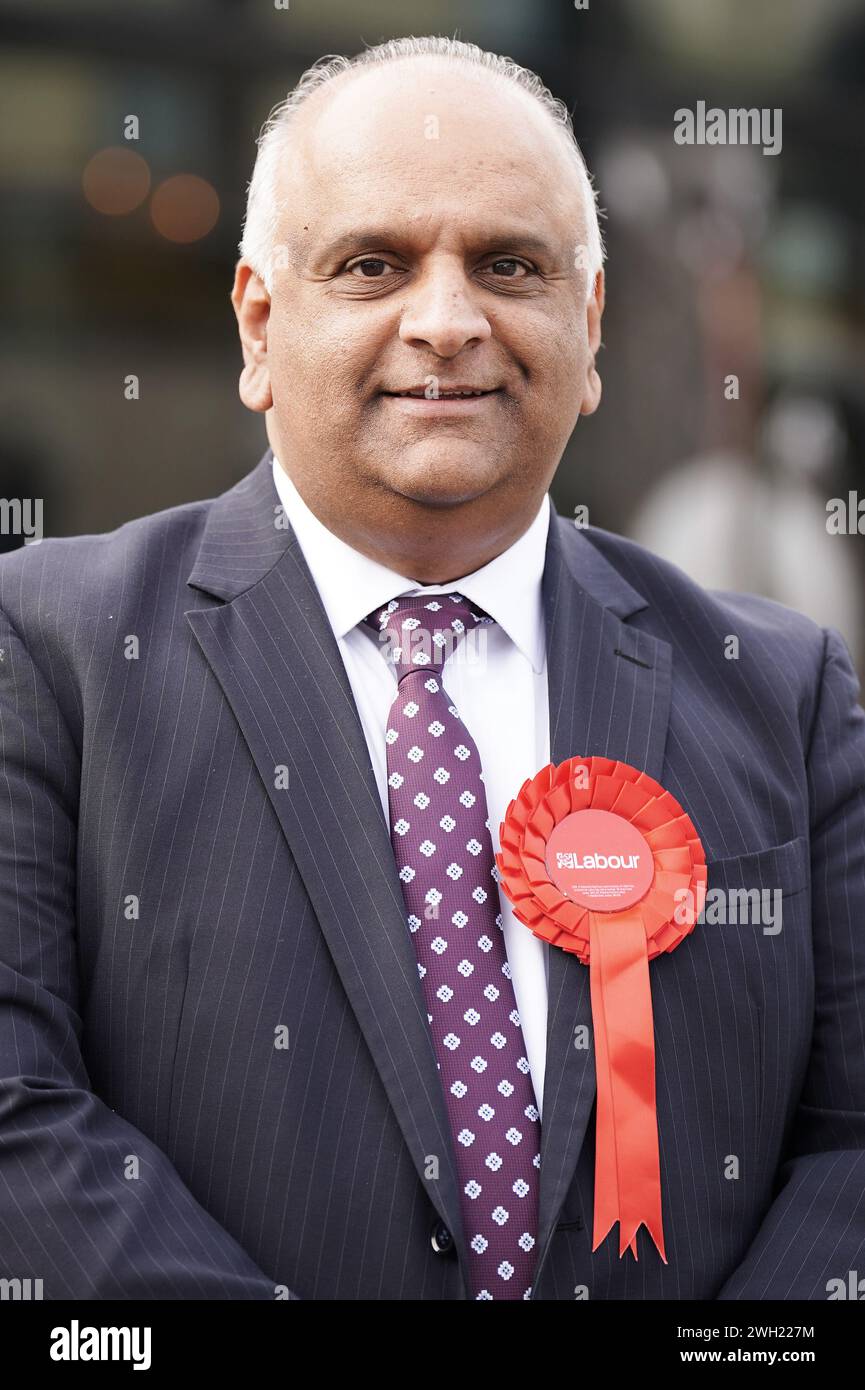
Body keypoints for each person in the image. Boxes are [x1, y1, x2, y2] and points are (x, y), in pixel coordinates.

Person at [0, 36, 863, 1301]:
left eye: (509, 264)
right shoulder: (46, 647)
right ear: (257, 323)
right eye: (373, 265)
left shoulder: (782, 692)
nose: (448, 320)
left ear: (590, 324)